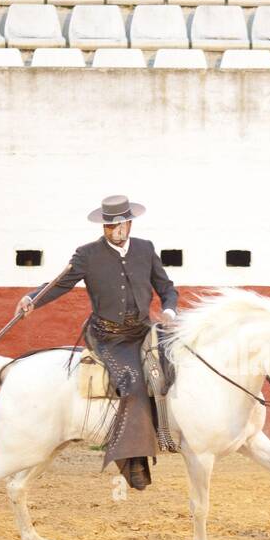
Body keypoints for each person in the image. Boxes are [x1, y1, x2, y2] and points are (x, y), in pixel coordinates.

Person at [15, 195, 178, 491]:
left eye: (120, 224)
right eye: (109, 225)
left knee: (178, 362)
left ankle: (177, 432)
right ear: (104, 226)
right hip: (107, 335)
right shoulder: (87, 254)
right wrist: (32, 299)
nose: (115, 229)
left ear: (129, 223)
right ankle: (132, 458)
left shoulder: (145, 248)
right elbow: (60, 284)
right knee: (132, 380)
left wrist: (169, 310)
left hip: (142, 330)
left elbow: (166, 287)